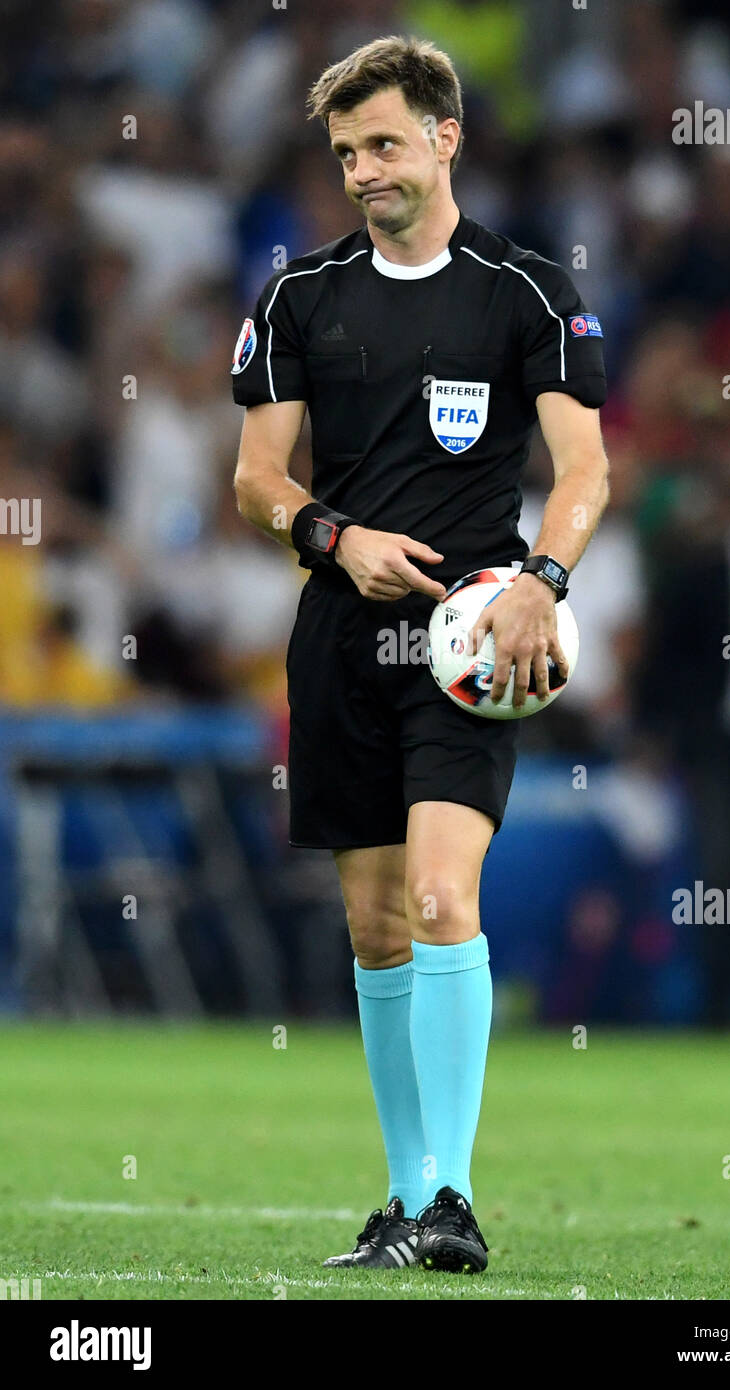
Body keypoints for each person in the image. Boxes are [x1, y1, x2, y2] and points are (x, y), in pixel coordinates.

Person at [231, 34, 608, 1273]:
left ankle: (452, 1198)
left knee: (447, 897)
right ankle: (407, 1201)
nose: (363, 171)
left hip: (468, 639)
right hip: (342, 634)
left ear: (445, 137)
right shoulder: (300, 299)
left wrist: (539, 587)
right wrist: (332, 536)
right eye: (345, 152)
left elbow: (585, 471)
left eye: (384, 143)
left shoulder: (526, 291)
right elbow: (255, 483)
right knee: (378, 928)